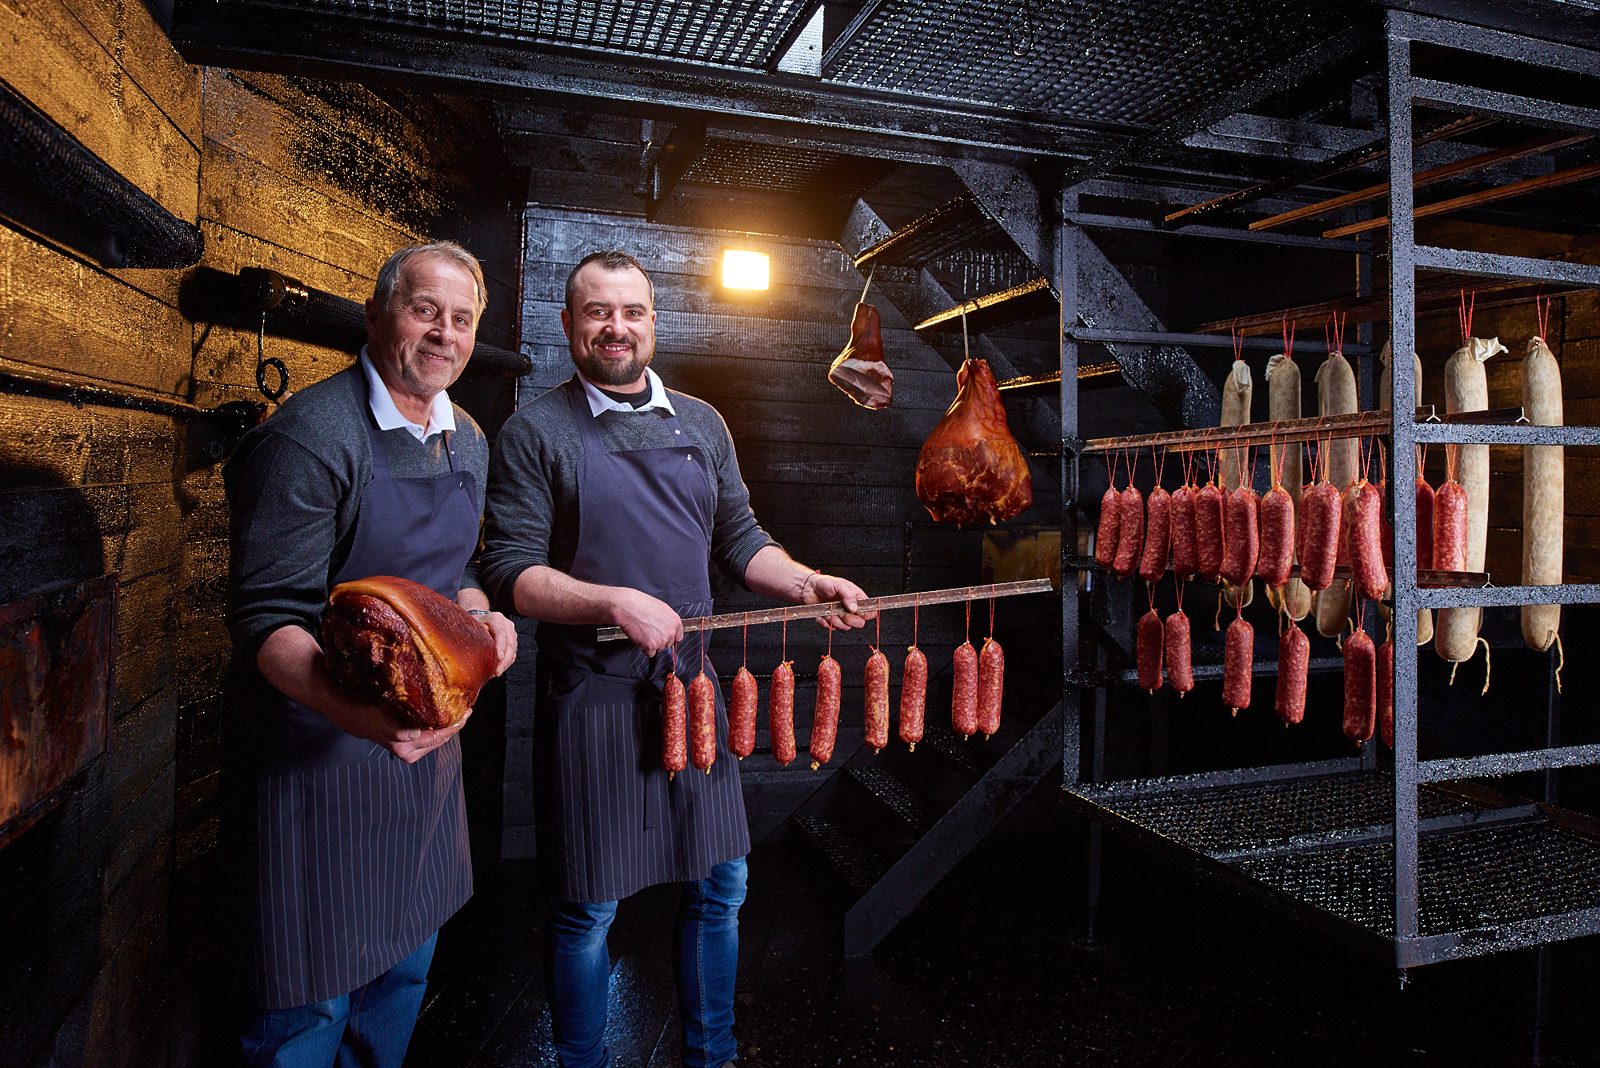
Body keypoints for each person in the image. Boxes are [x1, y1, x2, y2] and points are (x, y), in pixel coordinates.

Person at [480, 250, 869, 1068]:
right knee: (587, 908)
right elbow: (511, 571)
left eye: (630, 312)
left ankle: (711, 1056)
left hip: (692, 689)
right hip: (593, 694)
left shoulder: (701, 423)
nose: (614, 328)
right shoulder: (535, 430)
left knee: (721, 886)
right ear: (569, 325)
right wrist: (609, 600)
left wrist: (805, 582)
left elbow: (739, 540)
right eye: (596, 312)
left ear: (654, 321)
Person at [220, 240, 517, 1068]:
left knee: (401, 973)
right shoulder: (313, 438)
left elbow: (458, 570)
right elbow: (266, 621)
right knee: (306, 1004)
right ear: (377, 314)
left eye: (461, 320)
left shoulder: (469, 439)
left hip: (422, 760)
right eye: (425, 310)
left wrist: (484, 619)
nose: (443, 334)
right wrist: (365, 720)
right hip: (314, 761)